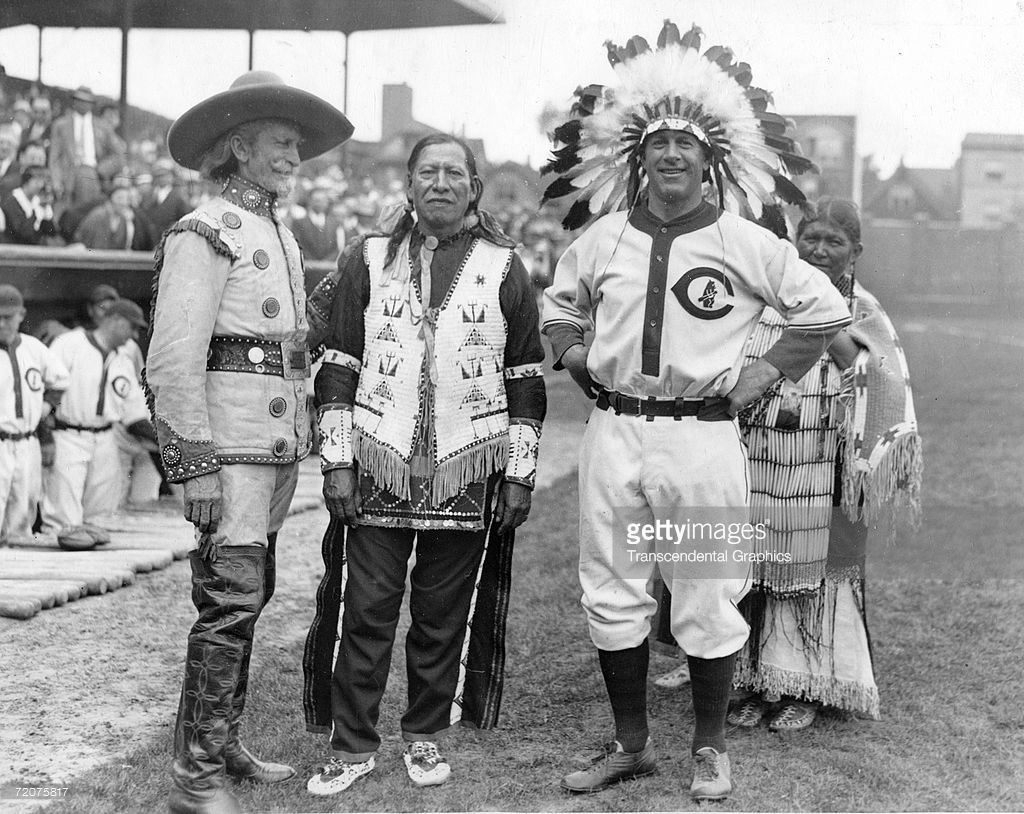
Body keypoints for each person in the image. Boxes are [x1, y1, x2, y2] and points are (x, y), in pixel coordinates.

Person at [540, 22, 854, 801]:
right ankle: (631, 745)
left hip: (704, 438)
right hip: (615, 432)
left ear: (711, 158)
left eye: (686, 143)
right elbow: (560, 305)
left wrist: (763, 376)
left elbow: (822, 311)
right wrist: (574, 357)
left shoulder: (745, 241)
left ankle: (709, 748)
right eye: (659, 144)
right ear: (637, 156)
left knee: (707, 589)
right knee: (612, 586)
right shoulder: (603, 238)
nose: (672, 155)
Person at [303, 133, 546, 796]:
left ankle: (425, 735)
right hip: (378, 460)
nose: (440, 183)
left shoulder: (504, 266)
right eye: (427, 172)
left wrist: (519, 475)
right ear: (408, 186)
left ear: (474, 188)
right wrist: (337, 461)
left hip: (467, 465)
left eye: (453, 173)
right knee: (366, 609)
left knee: (442, 615)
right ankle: (352, 746)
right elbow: (339, 363)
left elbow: (525, 377)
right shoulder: (369, 258)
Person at [144, 70, 352, 814]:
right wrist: (193, 465)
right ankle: (195, 777)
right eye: (281, 144)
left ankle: (221, 742)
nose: (294, 157)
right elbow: (173, 360)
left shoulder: (280, 234)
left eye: (296, 145)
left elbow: (283, 342)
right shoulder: (204, 231)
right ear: (239, 147)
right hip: (228, 454)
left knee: (250, 594)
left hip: (272, 453)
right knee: (229, 600)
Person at [727, 197, 922, 731]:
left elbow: (879, 375)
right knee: (759, 565)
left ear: (855, 251)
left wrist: (822, 320)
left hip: (824, 461)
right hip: (763, 458)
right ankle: (757, 681)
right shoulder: (773, 296)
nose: (818, 250)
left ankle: (806, 686)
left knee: (813, 572)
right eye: (810, 238)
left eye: (833, 242)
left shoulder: (863, 308)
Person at [40, 299, 154, 550]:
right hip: (68, 433)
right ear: (116, 320)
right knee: (63, 518)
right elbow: (45, 392)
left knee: (99, 517)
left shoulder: (122, 359)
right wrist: (45, 437)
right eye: (132, 327)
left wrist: (163, 439)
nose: (134, 336)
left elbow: (134, 414)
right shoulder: (70, 343)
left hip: (105, 437)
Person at [0, 285, 68, 547]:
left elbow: (60, 379)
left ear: (21, 314)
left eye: (8, 317)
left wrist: (47, 405)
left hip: (27, 442)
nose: (2, 323)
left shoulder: (33, 348)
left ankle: (19, 565)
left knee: (24, 511)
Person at [47, 86, 123, 208]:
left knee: (88, 203)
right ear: (73, 102)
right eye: (79, 100)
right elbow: (54, 157)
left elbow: (118, 156)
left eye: (87, 101)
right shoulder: (61, 125)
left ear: (92, 104)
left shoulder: (103, 126)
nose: (83, 104)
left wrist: (101, 170)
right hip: (68, 175)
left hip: (93, 174)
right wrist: (56, 181)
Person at [74, 179, 156, 251]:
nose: (124, 203)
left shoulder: (124, 219)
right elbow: (95, 247)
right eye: (120, 198)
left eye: (127, 199)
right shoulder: (98, 216)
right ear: (110, 199)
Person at [1, 166, 57, 245]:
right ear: (26, 182)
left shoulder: (37, 200)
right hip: (13, 246)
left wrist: (45, 210)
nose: (40, 185)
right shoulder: (11, 201)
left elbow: (51, 232)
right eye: (36, 181)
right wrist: (36, 212)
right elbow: (23, 233)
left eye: (41, 181)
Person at [142, 157, 191, 240]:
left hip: (170, 238)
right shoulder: (149, 195)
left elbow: (185, 217)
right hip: (151, 239)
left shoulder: (178, 196)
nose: (162, 179)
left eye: (165, 175)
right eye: (159, 176)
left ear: (171, 176)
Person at [290, 186, 341, 261]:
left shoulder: (334, 223)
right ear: (310, 201)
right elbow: (297, 245)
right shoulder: (299, 223)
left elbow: (337, 248)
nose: (320, 203)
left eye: (323, 200)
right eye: (316, 200)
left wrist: (325, 263)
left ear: (327, 202)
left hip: (328, 265)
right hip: (307, 264)